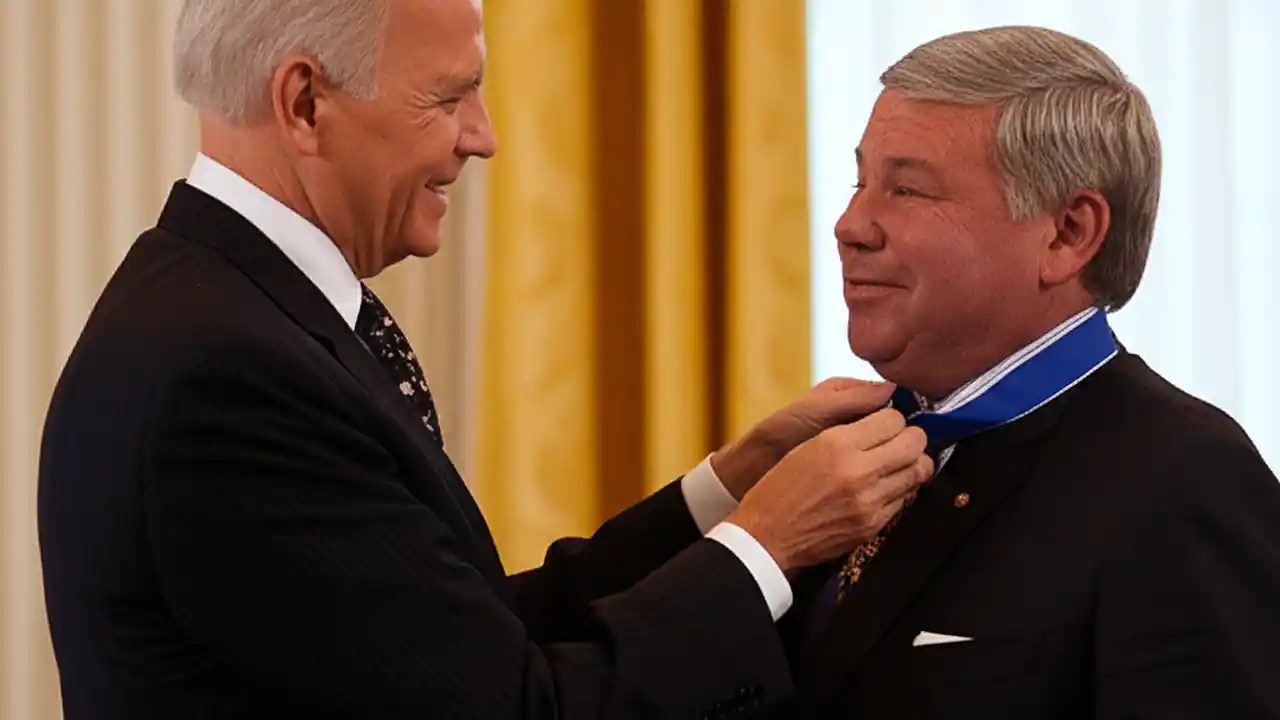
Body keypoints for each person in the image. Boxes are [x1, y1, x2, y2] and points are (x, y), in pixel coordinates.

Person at [36, 1, 933, 718]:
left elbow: (455, 641)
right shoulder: (228, 374)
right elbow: (515, 704)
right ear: (306, 102)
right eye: (449, 96)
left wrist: (725, 493)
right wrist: (769, 544)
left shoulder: (229, 305)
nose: (484, 136)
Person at [765, 25, 1280, 718]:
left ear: (1069, 234)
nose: (850, 224)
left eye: (907, 191)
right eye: (861, 181)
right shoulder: (840, 452)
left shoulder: (1186, 479)